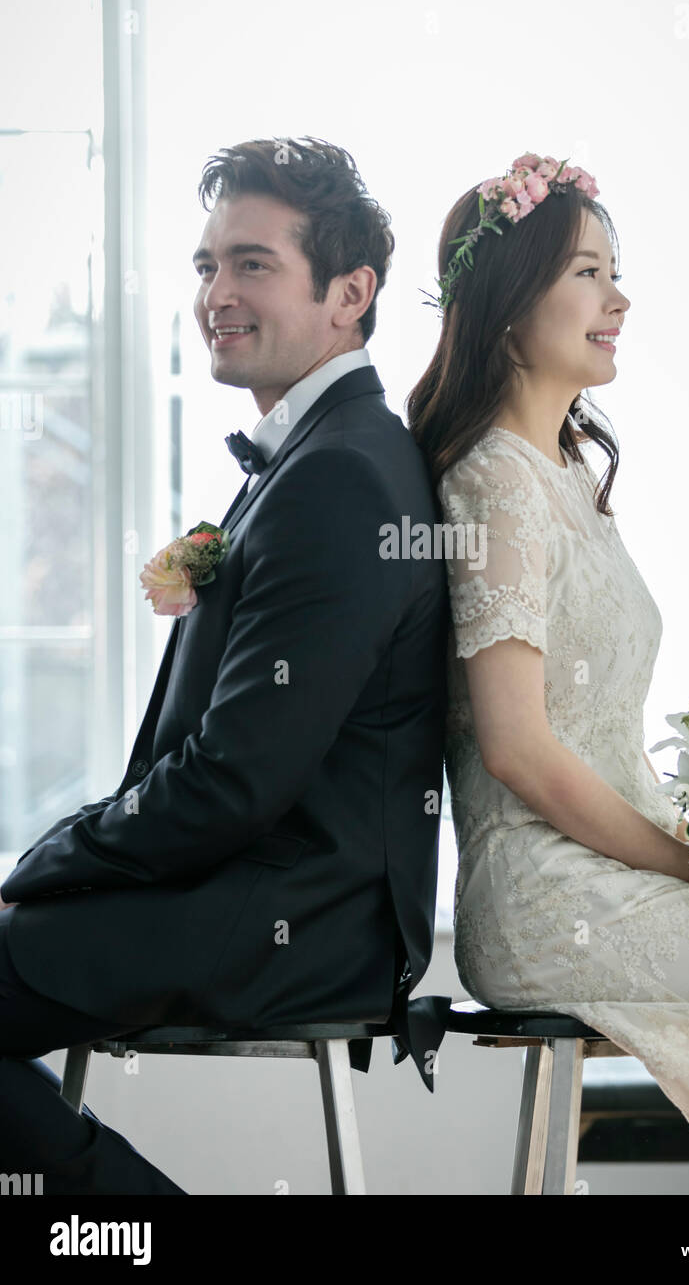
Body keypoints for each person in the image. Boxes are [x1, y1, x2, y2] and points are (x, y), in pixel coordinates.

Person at [407, 151, 689, 1195]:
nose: (618, 299)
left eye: (615, 271)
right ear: (508, 303)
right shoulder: (493, 482)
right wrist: (683, 858)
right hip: (544, 891)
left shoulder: (562, 471)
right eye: (586, 272)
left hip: (612, 865)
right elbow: (518, 749)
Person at [0, 135, 449, 1193]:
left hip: (295, 912)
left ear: (350, 292)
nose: (216, 293)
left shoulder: (338, 475)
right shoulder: (318, 456)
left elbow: (233, 779)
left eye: (252, 264)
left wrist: (42, 865)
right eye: (207, 266)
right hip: (268, 887)